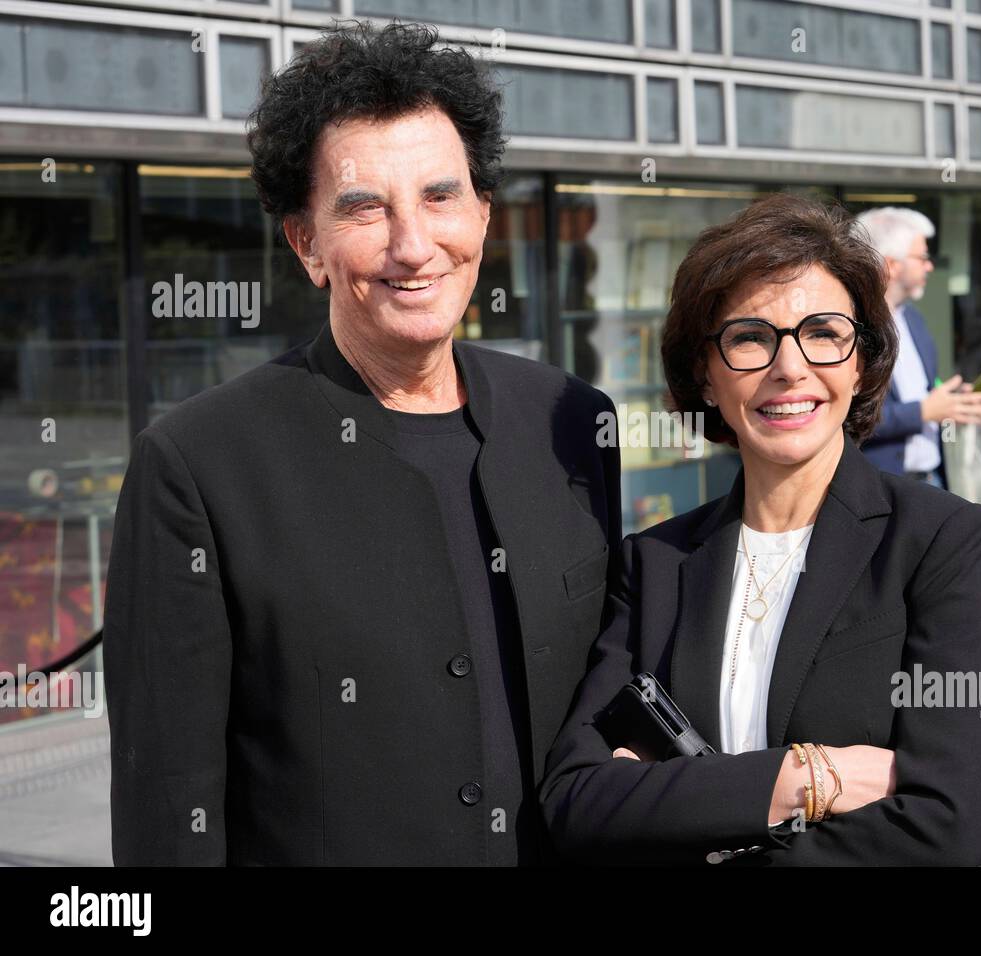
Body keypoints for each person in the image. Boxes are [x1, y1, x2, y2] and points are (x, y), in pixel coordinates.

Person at [103, 22, 621, 865]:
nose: (414, 246)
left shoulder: (570, 420)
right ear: (307, 244)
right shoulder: (198, 467)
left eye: (440, 197)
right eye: (365, 208)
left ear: (484, 218)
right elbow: (168, 804)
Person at [539, 194, 981, 866]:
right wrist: (801, 780)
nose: (790, 367)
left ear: (861, 361)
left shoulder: (938, 540)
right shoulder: (656, 564)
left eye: (822, 333)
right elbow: (578, 802)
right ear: (705, 376)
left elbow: (949, 819)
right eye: (751, 337)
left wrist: (687, 809)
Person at [854, 207, 981, 489]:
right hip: (879, 486)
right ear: (891, 265)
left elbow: (922, 396)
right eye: (922, 257)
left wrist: (957, 402)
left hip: (930, 480)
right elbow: (849, 416)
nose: (930, 266)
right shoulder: (852, 327)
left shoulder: (912, 319)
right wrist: (923, 411)